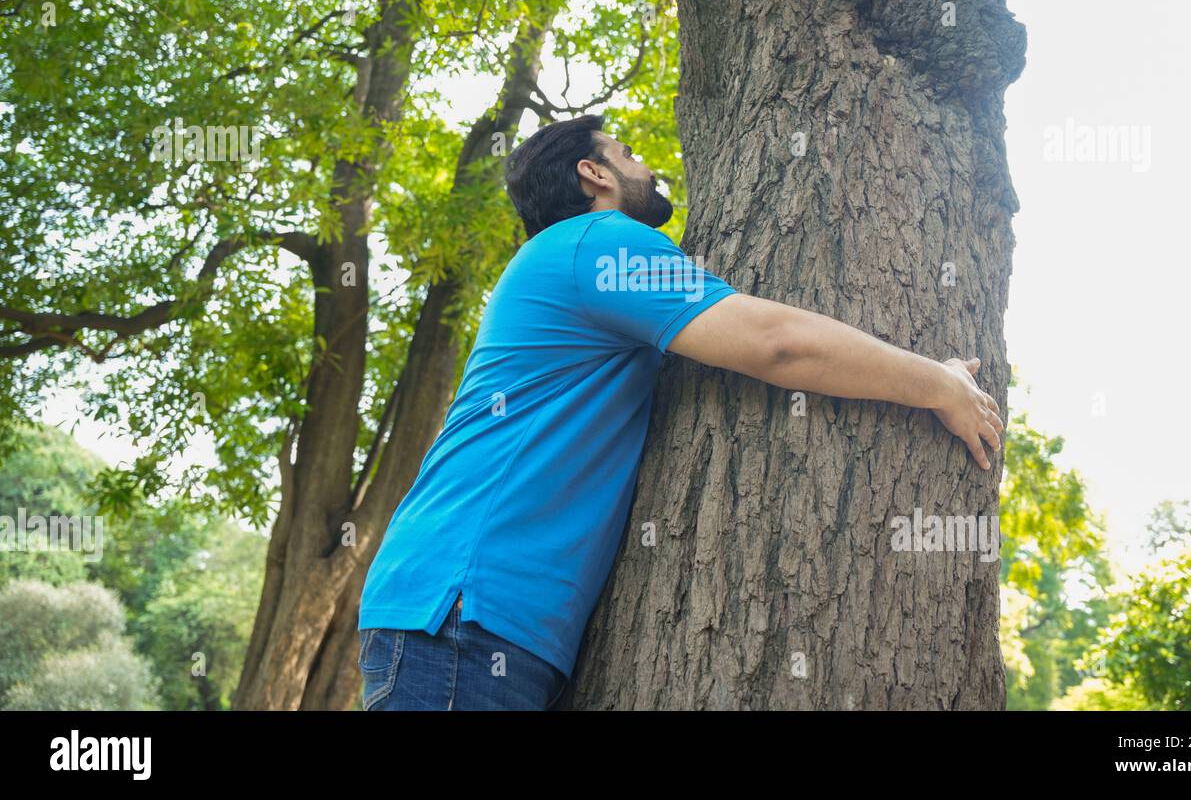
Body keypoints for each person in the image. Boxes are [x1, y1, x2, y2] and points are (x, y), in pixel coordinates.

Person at [356, 113, 1002, 710]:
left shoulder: (567, 266)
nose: (648, 167)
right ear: (594, 172)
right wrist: (939, 385)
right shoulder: (596, 244)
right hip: (464, 615)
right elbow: (775, 343)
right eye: (627, 153)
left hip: (479, 625)